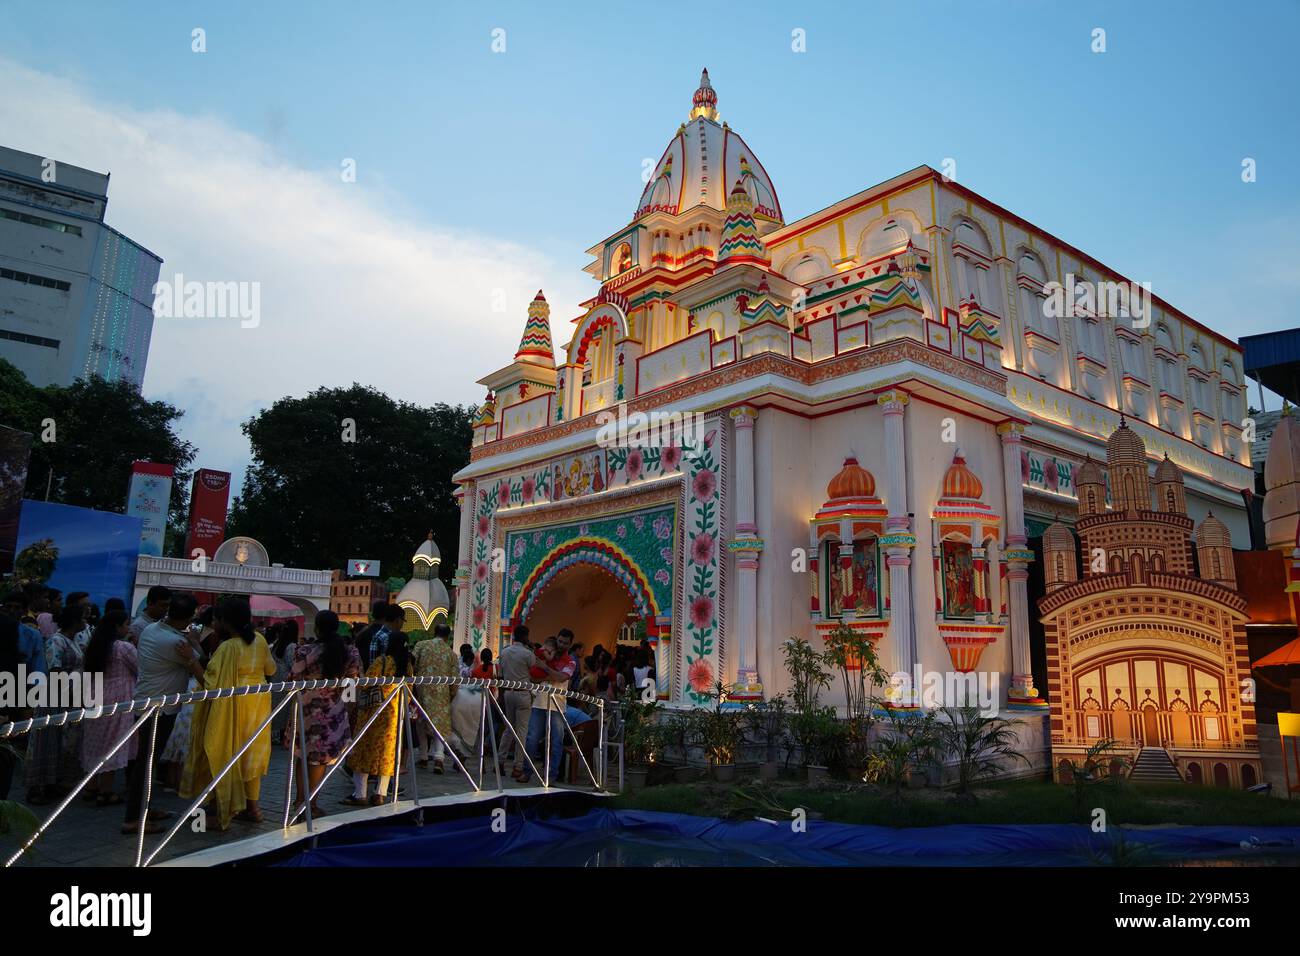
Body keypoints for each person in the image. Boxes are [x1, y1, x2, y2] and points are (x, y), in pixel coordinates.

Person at [180, 597, 277, 829]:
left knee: (223, 752)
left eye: (215, 618)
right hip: (257, 705)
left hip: (231, 708)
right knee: (250, 754)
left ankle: (222, 810)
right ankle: (253, 808)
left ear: (225, 621)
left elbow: (210, 684)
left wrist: (191, 659)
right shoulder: (260, 641)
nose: (213, 623)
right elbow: (271, 669)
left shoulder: (227, 648)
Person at [122, 593, 203, 834]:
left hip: (149, 702)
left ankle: (143, 809)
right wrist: (195, 645)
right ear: (188, 617)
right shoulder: (174, 643)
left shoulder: (152, 629)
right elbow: (204, 674)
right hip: (158, 708)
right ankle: (133, 818)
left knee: (148, 761)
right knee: (146, 763)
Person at [288, 610, 361, 817]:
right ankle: (311, 803)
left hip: (306, 707)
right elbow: (352, 682)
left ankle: (300, 801)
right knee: (320, 759)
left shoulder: (304, 651)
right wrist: (349, 708)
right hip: (332, 708)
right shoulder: (350, 652)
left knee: (303, 755)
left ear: (317, 628)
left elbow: (294, 676)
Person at [24, 605, 86, 804]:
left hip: (68, 696)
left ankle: (50, 784)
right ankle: (36, 788)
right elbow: (55, 670)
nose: (85, 622)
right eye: (82, 619)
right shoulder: (56, 641)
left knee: (58, 742)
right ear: (74, 622)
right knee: (45, 740)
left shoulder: (72, 640)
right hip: (54, 697)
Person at [345, 631, 410, 806]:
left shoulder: (382, 661)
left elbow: (366, 683)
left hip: (373, 711)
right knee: (387, 754)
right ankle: (380, 793)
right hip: (394, 714)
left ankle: (360, 793)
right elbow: (409, 691)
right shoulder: (406, 665)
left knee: (363, 751)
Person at [79, 609, 136, 805]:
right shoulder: (123, 647)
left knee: (94, 743)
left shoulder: (94, 645)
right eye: (126, 624)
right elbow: (140, 668)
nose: (128, 627)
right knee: (112, 744)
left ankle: (90, 787)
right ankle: (105, 791)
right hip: (118, 699)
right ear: (117, 627)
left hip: (95, 695)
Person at [522, 631, 576, 784]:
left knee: (556, 741)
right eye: (560, 641)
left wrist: (544, 669)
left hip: (557, 705)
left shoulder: (571, 662)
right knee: (532, 738)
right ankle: (527, 771)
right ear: (556, 640)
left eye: (565, 643)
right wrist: (548, 673)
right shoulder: (546, 653)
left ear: (570, 644)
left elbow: (561, 677)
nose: (562, 645)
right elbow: (533, 676)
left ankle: (550, 776)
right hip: (539, 702)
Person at [411, 623, 458, 773]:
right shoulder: (451, 654)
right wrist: (452, 694)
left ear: (434, 632)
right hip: (442, 692)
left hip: (421, 689)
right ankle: (439, 758)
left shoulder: (421, 645)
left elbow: (412, 665)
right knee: (440, 725)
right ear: (448, 636)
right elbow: (454, 679)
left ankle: (423, 756)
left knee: (420, 722)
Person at [496, 624, 535, 781]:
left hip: (508, 692)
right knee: (522, 731)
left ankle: (500, 761)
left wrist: (500, 695)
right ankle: (518, 767)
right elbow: (535, 670)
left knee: (508, 729)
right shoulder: (527, 654)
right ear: (525, 637)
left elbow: (500, 675)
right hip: (523, 693)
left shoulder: (504, 652)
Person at [354, 600, 389, 669]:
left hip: (363, 675)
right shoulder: (385, 634)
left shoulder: (362, 633)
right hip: (380, 676)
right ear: (387, 615)